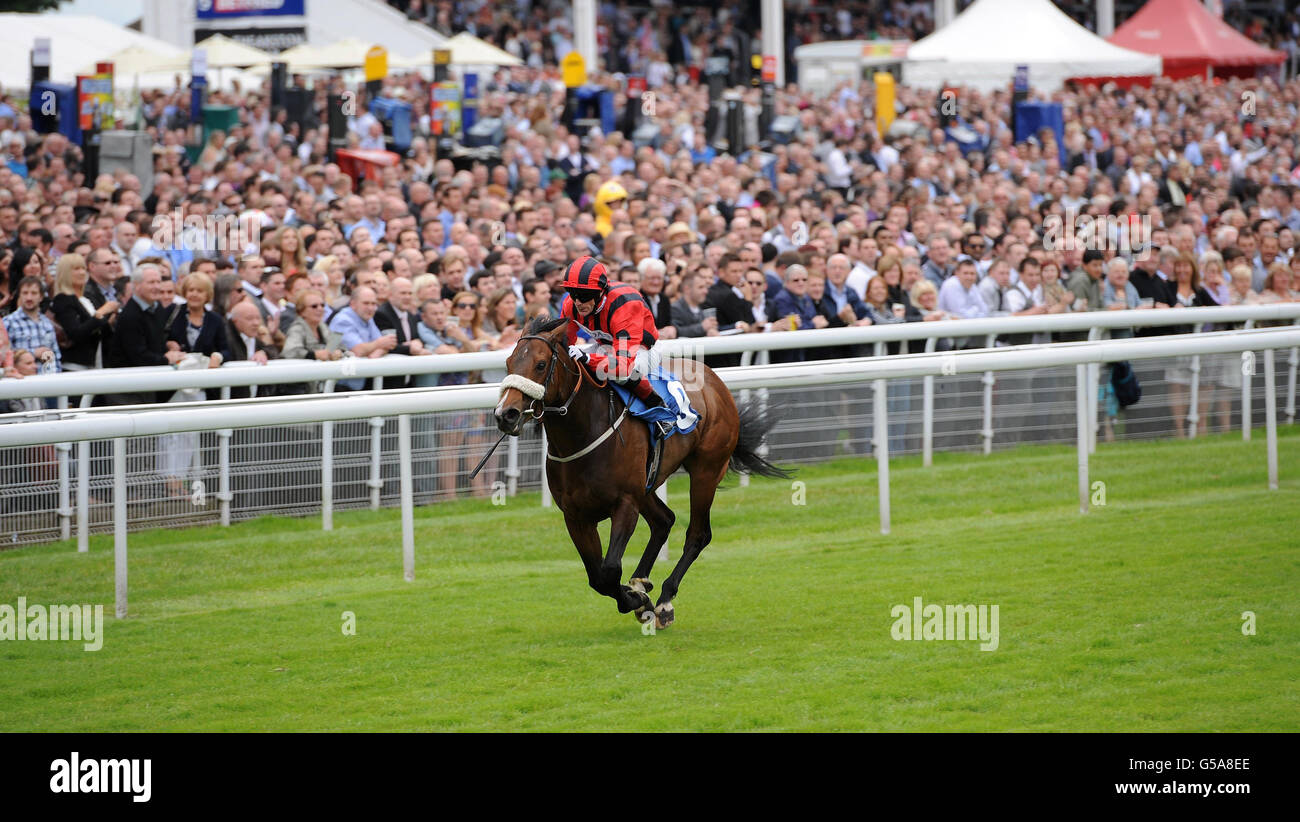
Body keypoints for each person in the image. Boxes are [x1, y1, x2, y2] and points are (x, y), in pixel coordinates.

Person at [559, 255, 672, 429]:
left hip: (642, 349)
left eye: (584, 295)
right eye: (572, 293)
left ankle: (658, 408)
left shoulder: (624, 306)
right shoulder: (571, 305)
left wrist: (588, 359)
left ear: (600, 291)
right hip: (607, 346)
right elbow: (564, 343)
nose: (578, 301)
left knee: (619, 374)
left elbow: (623, 366)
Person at [50, 253, 116, 371]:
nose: (82, 272)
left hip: (95, 362)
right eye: (76, 269)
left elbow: (94, 328)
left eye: (83, 268)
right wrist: (102, 312)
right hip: (74, 365)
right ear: (65, 273)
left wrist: (108, 320)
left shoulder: (85, 300)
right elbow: (75, 333)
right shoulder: (63, 299)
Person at [329, 285, 398, 390]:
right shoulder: (342, 320)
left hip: (358, 380)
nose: (371, 308)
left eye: (373, 304)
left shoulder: (367, 317)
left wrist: (376, 352)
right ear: (353, 304)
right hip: (339, 384)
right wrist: (378, 344)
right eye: (366, 303)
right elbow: (358, 350)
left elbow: (387, 344)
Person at [3, 276, 61, 375]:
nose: (29, 297)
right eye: (25, 293)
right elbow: (4, 355)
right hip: (21, 382)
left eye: (34, 293)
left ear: (41, 297)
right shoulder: (8, 322)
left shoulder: (47, 324)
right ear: (19, 295)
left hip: (48, 382)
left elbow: (56, 356)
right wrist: (33, 353)